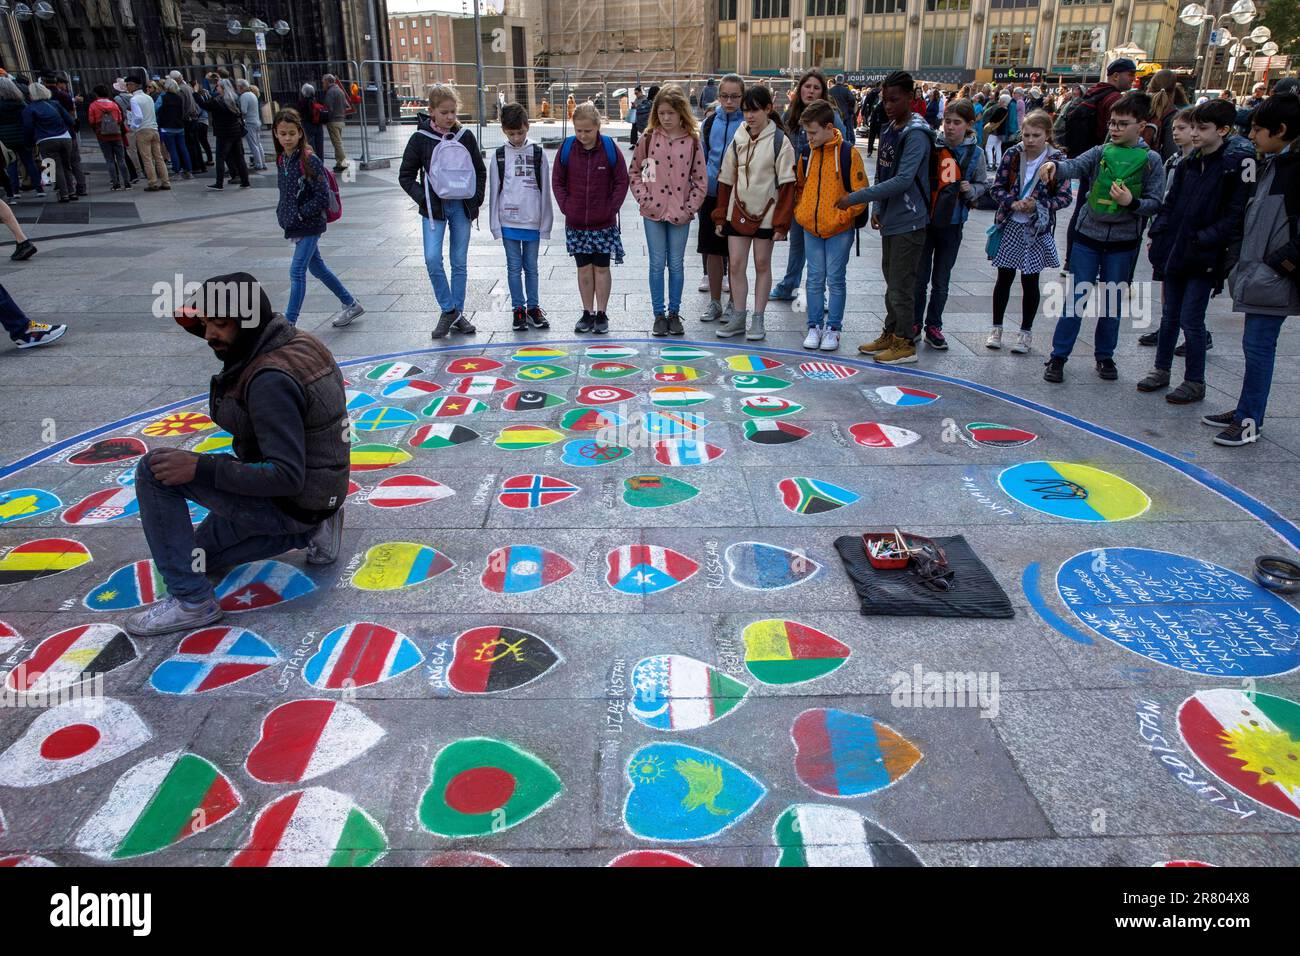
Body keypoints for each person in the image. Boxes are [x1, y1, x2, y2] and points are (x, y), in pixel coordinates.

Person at [125, 274, 348, 638]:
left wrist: (202, 467)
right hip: (319, 491)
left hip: (292, 495)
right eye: (205, 323)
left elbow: (285, 475)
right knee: (198, 557)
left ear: (248, 322)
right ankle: (316, 527)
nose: (210, 334)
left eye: (222, 324)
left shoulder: (269, 379)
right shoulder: (295, 340)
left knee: (155, 470)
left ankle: (191, 601)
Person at [1039, 90, 1165, 383]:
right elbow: (1073, 166)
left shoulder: (1151, 160)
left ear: (1141, 126)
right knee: (1076, 298)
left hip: (1123, 241)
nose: (1115, 129)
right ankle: (1058, 357)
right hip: (1088, 235)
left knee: (1112, 302)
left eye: (1123, 123)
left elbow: (1156, 201)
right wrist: (1054, 166)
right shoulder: (1099, 152)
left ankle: (1105, 356)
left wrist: (1131, 204)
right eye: (1112, 123)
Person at [1136, 98, 1249, 406]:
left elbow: (1234, 214)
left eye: (1203, 128)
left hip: (1204, 254)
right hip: (1176, 247)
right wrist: (1159, 232)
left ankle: (1194, 380)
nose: (1196, 134)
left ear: (1223, 130)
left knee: (1191, 318)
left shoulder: (1233, 165)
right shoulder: (1188, 162)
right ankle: (1161, 369)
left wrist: (1205, 238)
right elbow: (1171, 202)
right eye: (1194, 127)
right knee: (1170, 314)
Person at [1203, 93, 1300, 446]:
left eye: (1259, 129)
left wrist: (1276, 265)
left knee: (1259, 348)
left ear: (1283, 130)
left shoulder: (1293, 170)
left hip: (1273, 276)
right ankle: (1246, 408)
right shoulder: (1273, 162)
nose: (1253, 136)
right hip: (1259, 271)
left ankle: (1249, 420)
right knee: (1253, 346)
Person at [836, 70, 932, 366]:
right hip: (892, 218)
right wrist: (878, 209)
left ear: (910, 98)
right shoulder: (891, 128)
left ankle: (905, 341)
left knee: (902, 283)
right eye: (885, 99)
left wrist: (856, 198)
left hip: (911, 218)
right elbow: (883, 171)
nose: (888, 105)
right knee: (892, 279)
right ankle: (891, 332)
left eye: (894, 100)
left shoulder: (916, 133)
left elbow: (903, 179)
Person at [398, 84, 486, 340]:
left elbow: (479, 170)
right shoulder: (420, 139)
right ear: (431, 111)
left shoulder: (465, 137)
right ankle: (449, 309)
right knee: (432, 258)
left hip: (461, 206)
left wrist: (477, 200)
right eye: (445, 112)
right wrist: (423, 200)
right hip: (433, 210)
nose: (450, 117)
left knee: (459, 262)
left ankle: (456, 311)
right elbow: (405, 176)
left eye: (453, 112)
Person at [711, 84, 796, 342]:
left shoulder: (781, 141)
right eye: (746, 110)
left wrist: (782, 224)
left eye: (755, 110)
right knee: (735, 264)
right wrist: (719, 215)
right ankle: (738, 316)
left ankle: (758, 319)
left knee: (761, 264)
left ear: (768, 109)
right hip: (737, 210)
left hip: (768, 212)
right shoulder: (738, 137)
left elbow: (788, 184)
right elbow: (725, 179)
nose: (750, 115)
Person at [986, 110, 1071, 353]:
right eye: (1026, 135)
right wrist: (1012, 202)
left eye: (1036, 135)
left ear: (1047, 135)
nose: (1030, 140)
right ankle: (996, 328)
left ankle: (1025, 333)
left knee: (1030, 280)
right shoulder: (1012, 154)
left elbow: (1064, 198)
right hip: (1010, 222)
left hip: (1036, 228)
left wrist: (1039, 205)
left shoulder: (1057, 161)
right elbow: (997, 188)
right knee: (1004, 278)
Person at [273, 108, 363, 330]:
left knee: (296, 271)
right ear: (275, 133)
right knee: (317, 268)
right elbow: (285, 192)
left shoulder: (309, 159)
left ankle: (289, 322)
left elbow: (322, 196)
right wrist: (283, 213)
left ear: (300, 133)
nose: (287, 138)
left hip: (309, 224)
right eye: (283, 133)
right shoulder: (282, 159)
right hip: (295, 224)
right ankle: (350, 303)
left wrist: (301, 214)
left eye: (292, 133)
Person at [631, 85, 708, 337]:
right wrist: (646, 199)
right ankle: (658, 315)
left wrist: (689, 208)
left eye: (671, 113)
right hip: (653, 212)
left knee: (676, 263)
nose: (666, 118)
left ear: (680, 113)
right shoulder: (649, 138)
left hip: (680, 214)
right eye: (662, 113)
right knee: (656, 263)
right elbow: (639, 172)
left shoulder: (692, 141)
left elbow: (700, 179)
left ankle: (674, 313)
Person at [914, 99, 988, 350]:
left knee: (941, 279)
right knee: (919, 277)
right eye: (947, 121)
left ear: (969, 125)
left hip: (953, 223)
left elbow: (983, 185)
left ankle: (933, 325)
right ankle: (914, 322)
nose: (950, 127)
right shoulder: (933, 146)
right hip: (927, 221)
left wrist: (972, 190)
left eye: (957, 123)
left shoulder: (976, 153)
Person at [794, 100, 867, 352]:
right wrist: (800, 211)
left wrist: (842, 217)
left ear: (828, 127)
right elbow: (800, 185)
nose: (809, 137)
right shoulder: (807, 152)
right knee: (814, 278)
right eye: (806, 132)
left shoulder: (848, 154)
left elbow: (860, 193)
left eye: (813, 132)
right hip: (811, 227)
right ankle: (814, 325)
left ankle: (833, 328)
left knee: (835, 279)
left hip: (838, 229)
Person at [769, 70, 847, 303]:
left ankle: (819, 293)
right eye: (807, 86)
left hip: (823, 191)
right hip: (797, 188)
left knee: (818, 243)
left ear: (823, 91)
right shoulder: (790, 115)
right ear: (799, 89)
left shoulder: (830, 115)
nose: (811, 91)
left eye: (816, 87)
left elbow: (844, 144)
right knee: (797, 242)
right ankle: (789, 284)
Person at [553, 102, 629, 335]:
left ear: (597, 127)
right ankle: (587, 312)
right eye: (579, 131)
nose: (583, 135)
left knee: (602, 268)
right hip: (576, 223)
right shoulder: (567, 148)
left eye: (588, 131)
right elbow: (557, 181)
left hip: (603, 223)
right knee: (584, 269)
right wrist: (567, 207)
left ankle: (602, 313)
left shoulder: (608, 148)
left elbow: (621, 180)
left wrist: (611, 208)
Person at [1059, 59, 1137, 270]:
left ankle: (1071, 261)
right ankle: (1082, 261)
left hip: (1088, 157)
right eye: (1129, 75)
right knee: (1091, 209)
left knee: (1082, 208)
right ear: (1115, 75)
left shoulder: (1094, 92)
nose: (1133, 79)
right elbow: (1108, 136)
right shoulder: (1113, 98)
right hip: (1105, 162)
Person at [490, 102, 554, 332]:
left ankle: (533, 307)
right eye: (511, 133)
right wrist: (495, 226)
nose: (516, 138)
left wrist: (546, 224)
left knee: (532, 267)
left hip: (532, 221)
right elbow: (494, 191)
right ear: (504, 131)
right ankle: (518, 308)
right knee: (513, 267)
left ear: (528, 127)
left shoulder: (538, 154)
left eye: (520, 132)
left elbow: (545, 190)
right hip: (508, 221)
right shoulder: (499, 156)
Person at [696, 75, 745, 312]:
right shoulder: (708, 124)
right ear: (718, 96)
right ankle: (715, 302)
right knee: (712, 252)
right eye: (725, 96)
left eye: (735, 96)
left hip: (739, 198)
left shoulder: (748, 122)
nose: (729, 101)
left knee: (735, 255)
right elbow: (701, 159)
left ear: (742, 97)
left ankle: (735, 303)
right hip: (711, 194)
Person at [22, 83, 78, 202]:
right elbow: (69, 120)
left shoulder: (29, 109)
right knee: (66, 165)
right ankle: (72, 191)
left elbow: (28, 128)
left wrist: (29, 143)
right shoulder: (55, 104)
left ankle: (63, 194)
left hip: (45, 140)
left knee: (53, 167)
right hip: (65, 137)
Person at [197, 77, 249, 191]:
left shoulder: (219, 101)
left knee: (220, 157)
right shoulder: (234, 99)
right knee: (239, 157)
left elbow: (204, 105)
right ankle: (245, 181)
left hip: (224, 133)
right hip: (235, 131)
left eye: (218, 86)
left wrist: (196, 93)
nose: (217, 88)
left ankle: (219, 183)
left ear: (223, 88)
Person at [45, 73, 86, 198]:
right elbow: (72, 115)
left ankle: (60, 187)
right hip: (68, 133)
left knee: (52, 163)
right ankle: (81, 186)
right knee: (74, 161)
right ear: (57, 83)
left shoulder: (44, 100)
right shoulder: (65, 95)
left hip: (48, 135)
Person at [0, 77, 41, 199]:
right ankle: (39, 188)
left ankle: (14, 191)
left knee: (11, 165)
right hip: (22, 136)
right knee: (29, 162)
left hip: (6, 139)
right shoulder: (21, 103)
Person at [88, 85, 131, 191]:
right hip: (116, 134)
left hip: (102, 135)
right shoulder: (114, 105)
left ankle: (115, 183)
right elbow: (120, 119)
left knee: (110, 160)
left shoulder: (93, 105)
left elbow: (91, 121)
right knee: (121, 159)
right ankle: (127, 183)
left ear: (96, 94)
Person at [170, 70, 208, 174]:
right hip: (194, 118)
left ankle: (195, 166)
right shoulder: (188, 87)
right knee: (195, 143)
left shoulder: (181, 90)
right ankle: (201, 165)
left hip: (187, 119)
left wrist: (181, 117)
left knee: (190, 144)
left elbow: (182, 107)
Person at [157, 79, 194, 180]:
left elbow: (156, 109)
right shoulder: (179, 98)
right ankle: (188, 170)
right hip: (179, 126)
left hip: (167, 127)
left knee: (172, 150)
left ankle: (177, 171)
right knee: (183, 148)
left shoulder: (162, 97)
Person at [322, 74, 350, 172]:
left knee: (337, 143)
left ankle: (343, 163)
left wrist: (325, 118)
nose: (323, 84)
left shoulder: (330, 92)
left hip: (333, 120)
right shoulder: (340, 90)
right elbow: (346, 105)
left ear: (327, 82)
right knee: (337, 142)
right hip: (341, 120)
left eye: (323, 82)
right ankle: (339, 163)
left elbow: (328, 107)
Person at [237, 79, 266, 172]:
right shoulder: (253, 95)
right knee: (258, 143)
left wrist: (238, 111)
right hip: (256, 121)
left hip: (249, 122)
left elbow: (244, 111)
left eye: (238, 86)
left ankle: (258, 164)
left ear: (241, 87)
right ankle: (263, 162)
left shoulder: (244, 96)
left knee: (253, 144)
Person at [983, 93, 1010, 171]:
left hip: (995, 130)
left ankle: (990, 164)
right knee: (998, 147)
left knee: (988, 147)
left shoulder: (1000, 109)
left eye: (1000, 100)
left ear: (1003, 101)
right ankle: (998, 164)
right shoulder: (1007, 110)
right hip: (1001, 131)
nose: (999, 101)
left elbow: (992, 119)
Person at [297, 83, 325, 157]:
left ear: (303, 92)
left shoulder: (302, 102)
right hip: (318, 126)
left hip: (308, 126)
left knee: (310, 146)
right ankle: (320, 164)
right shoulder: (317, 100)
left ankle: (313, 163)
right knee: (320, 146)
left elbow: (299, 114)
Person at [829, 74, 857, 144]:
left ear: (835, 80)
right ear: (843, 81)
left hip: (834, 113)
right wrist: (850, 109)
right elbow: (852, 100)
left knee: (834, 129)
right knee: (849, 129)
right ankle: (850, 143)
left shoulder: (830, 90)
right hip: (846, 113)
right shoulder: (846, 90)